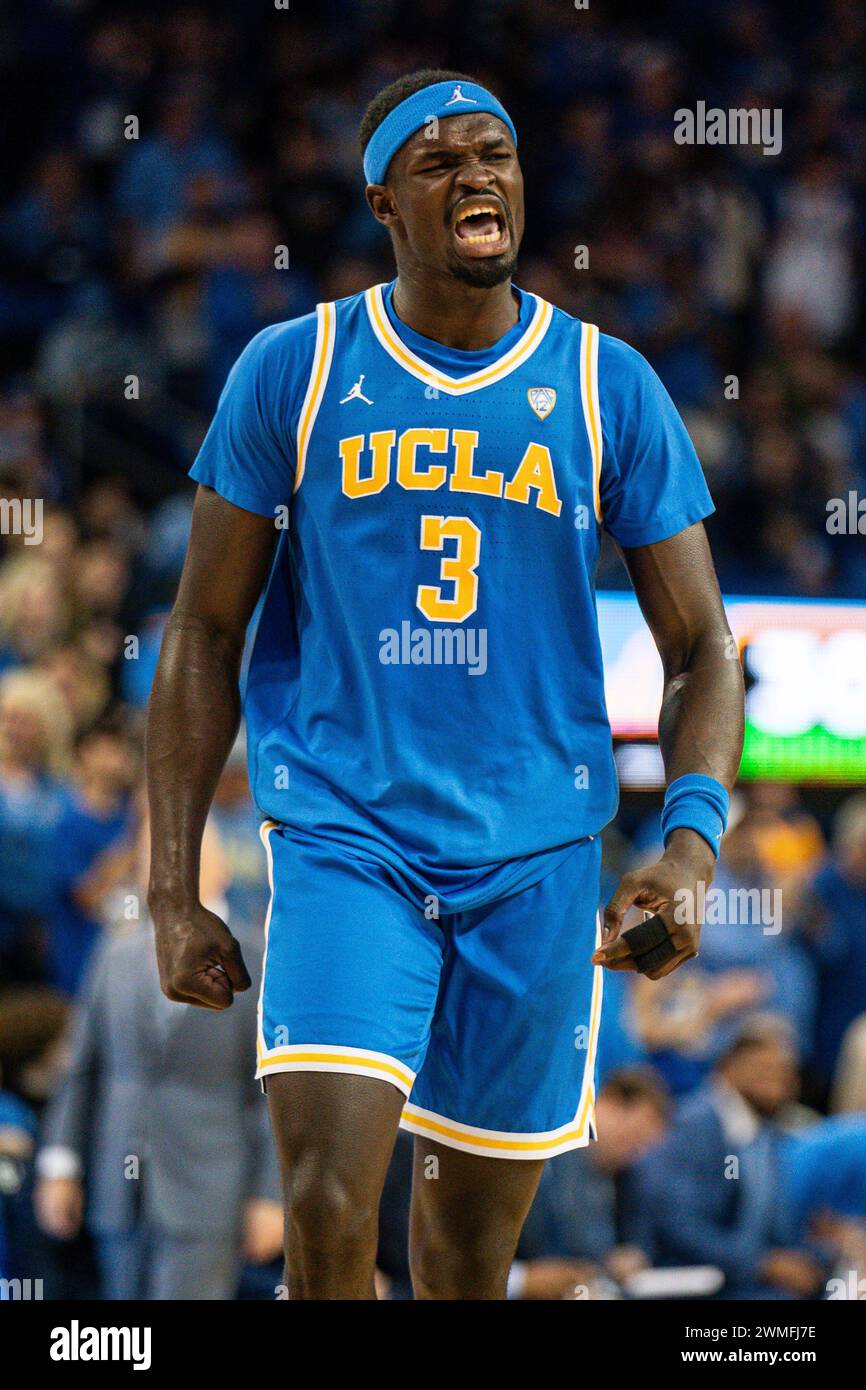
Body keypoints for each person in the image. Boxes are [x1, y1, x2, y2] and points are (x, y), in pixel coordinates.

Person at [145, 68, 744, 1300]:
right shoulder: (292, 368)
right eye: (440, 160)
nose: (477, 173)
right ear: (384, 201)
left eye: (497, 155)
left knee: (466, 1265)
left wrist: (688, 847)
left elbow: (701, 651)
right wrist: (170, 887)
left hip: (534, 859)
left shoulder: (602, 383)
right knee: (322, 1208)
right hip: (345, 838)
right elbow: (202, 633)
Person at [632, 1016, 827, 1299]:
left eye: (787, 1072)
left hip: (748, 1281)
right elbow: (677, 1224)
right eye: (766, 1069)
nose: (780, 1082)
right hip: (696, 1281)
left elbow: (774, 1230)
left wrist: (817, 1252)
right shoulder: (694, 1125)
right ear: (729, 1066)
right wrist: (761, 1265)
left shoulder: (768, 1133)